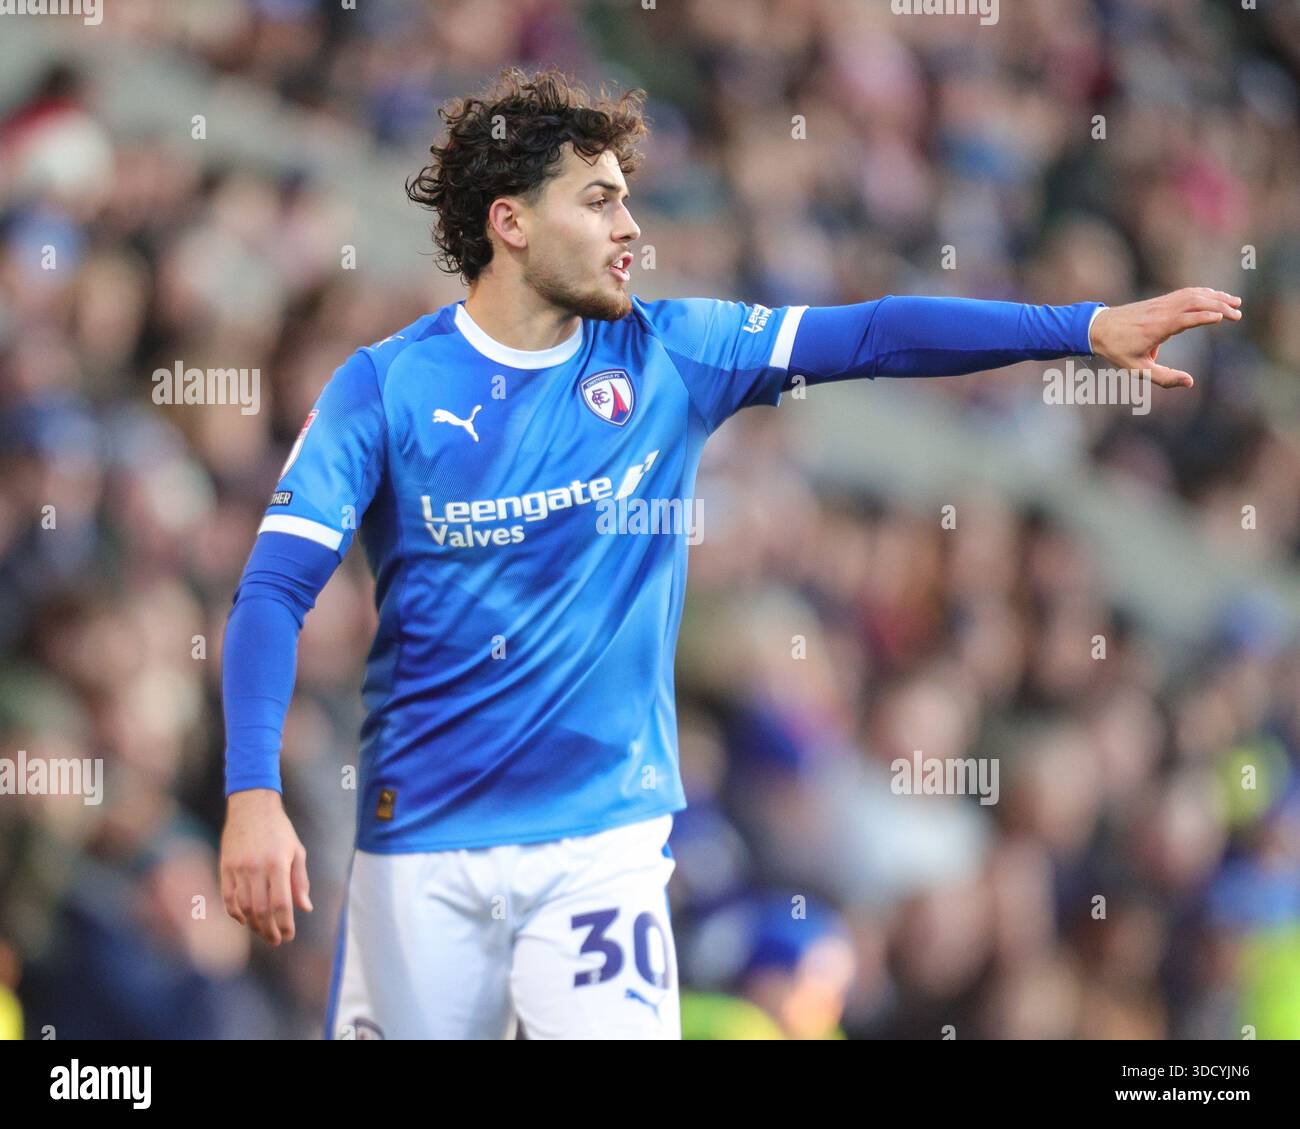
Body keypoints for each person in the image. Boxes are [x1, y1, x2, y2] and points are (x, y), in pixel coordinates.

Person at [218, 66, 1242, 1040]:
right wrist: (253, 789)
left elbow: (874, 334)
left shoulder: (672, 353)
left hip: (600, 842)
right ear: (511, 222)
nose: (630, 227)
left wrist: (1081, 327)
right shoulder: (382, 388)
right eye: (598, 202)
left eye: (628, 201)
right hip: (423, 837)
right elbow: (273, 592)